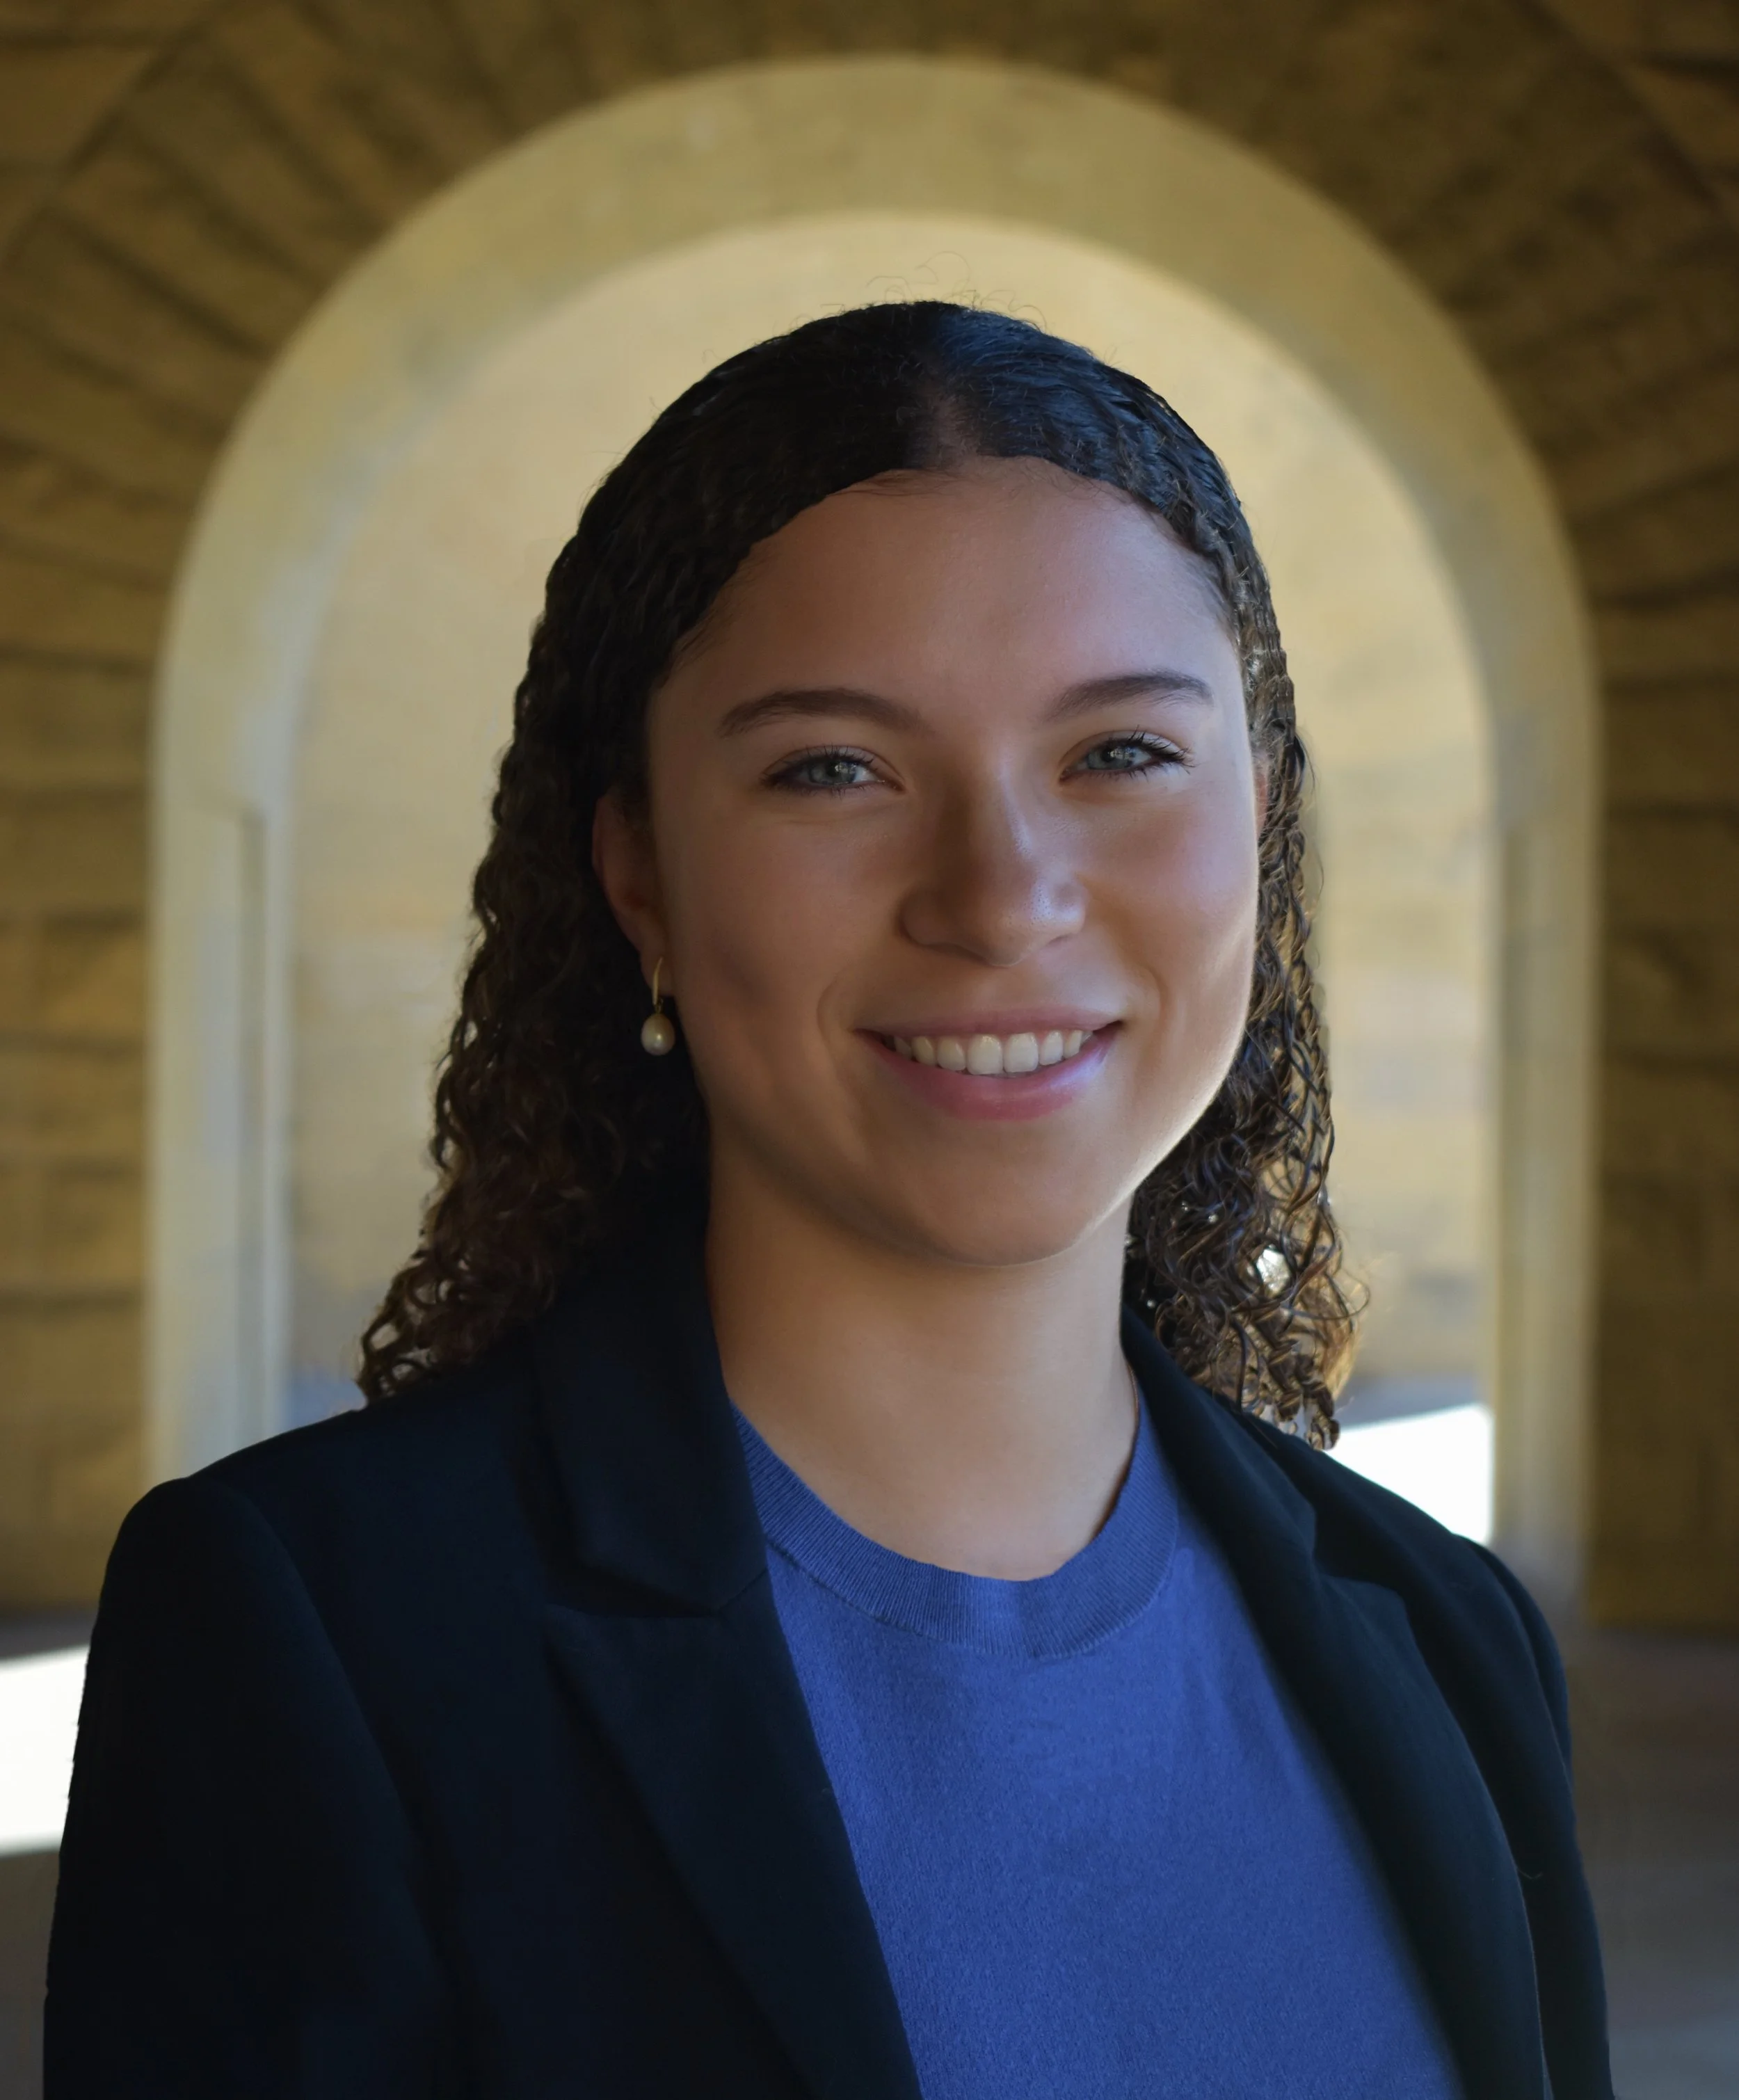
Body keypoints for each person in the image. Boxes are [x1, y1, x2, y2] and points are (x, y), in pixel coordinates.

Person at [47, 302, 1610, 2099]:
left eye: (1117, 755)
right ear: (631, 864)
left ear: (1259, 820)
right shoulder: (313, 1647)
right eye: (832, 770)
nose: (1000, 892)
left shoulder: (1448, 1639)